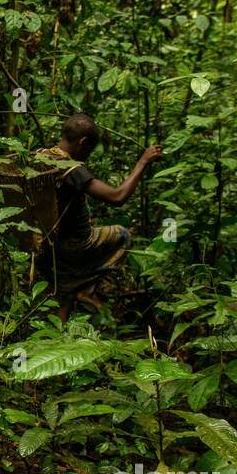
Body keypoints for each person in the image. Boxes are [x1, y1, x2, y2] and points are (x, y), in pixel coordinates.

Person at [36, 114, 161, 321]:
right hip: (76, 244)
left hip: (47, 241)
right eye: (89, 150)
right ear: (83, 143)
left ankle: (57, 336)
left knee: (64, 294)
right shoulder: (72, 169)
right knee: (122, 235)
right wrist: (143, 161)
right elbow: (117, 196)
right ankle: (86, 287)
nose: (87, 156)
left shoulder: (40, 155)